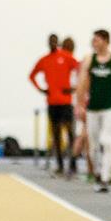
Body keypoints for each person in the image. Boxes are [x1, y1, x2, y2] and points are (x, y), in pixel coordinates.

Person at [77, 30, 111, 192]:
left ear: (105, 41)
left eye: (97, 40)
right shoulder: (89, 60)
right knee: (93, 145)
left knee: (107, 141)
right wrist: (79, 104)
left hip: (109, 107)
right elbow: (82, 83)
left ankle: (105, 176)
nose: (94, 43)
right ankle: (98, 172)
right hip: (92, 108)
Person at [29, 34, 82, 176]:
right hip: (52, 103)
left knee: (70, 134)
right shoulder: (44, 60)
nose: (52, 43)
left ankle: (73, 164)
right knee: (56, 135)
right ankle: (59, 164)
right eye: (50, 41)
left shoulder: (65, 57)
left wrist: (75, 87)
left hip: (65, 102)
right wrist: (41, 89)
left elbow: (82, 69)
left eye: (54, 41)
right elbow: (32, 75)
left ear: (57, 43)